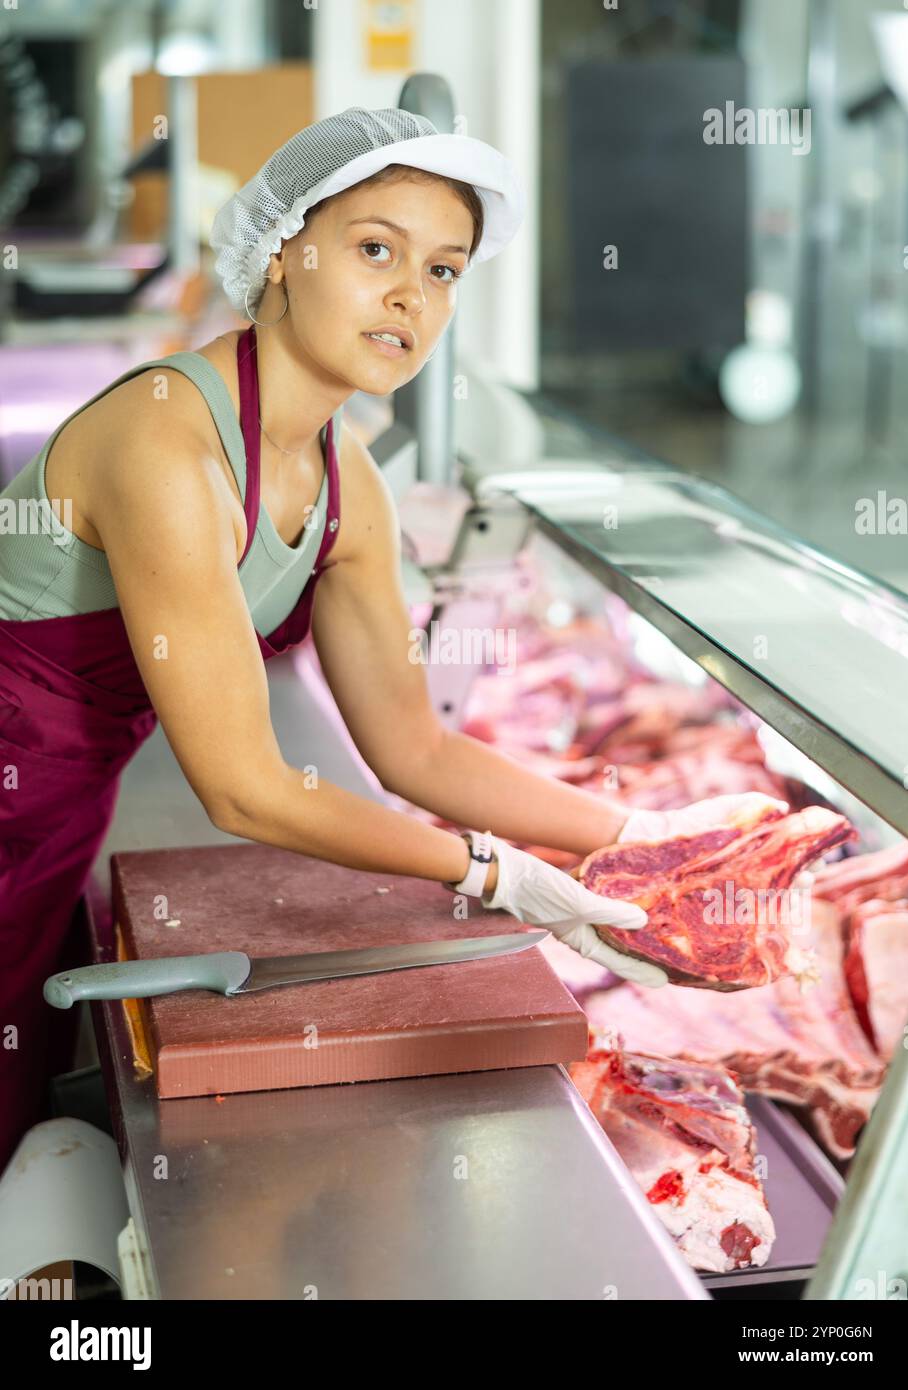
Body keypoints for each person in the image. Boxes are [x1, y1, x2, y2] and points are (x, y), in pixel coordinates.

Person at [0, 106, 775, 1175]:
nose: (413, 295)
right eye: (376, 250)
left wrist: (638, 836)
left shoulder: (342, 479)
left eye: (445, 269)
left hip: (45, 827)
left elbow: (418, 748)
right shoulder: (165, 438)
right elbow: (243, 788)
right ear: (280, 252)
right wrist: (495, 876)